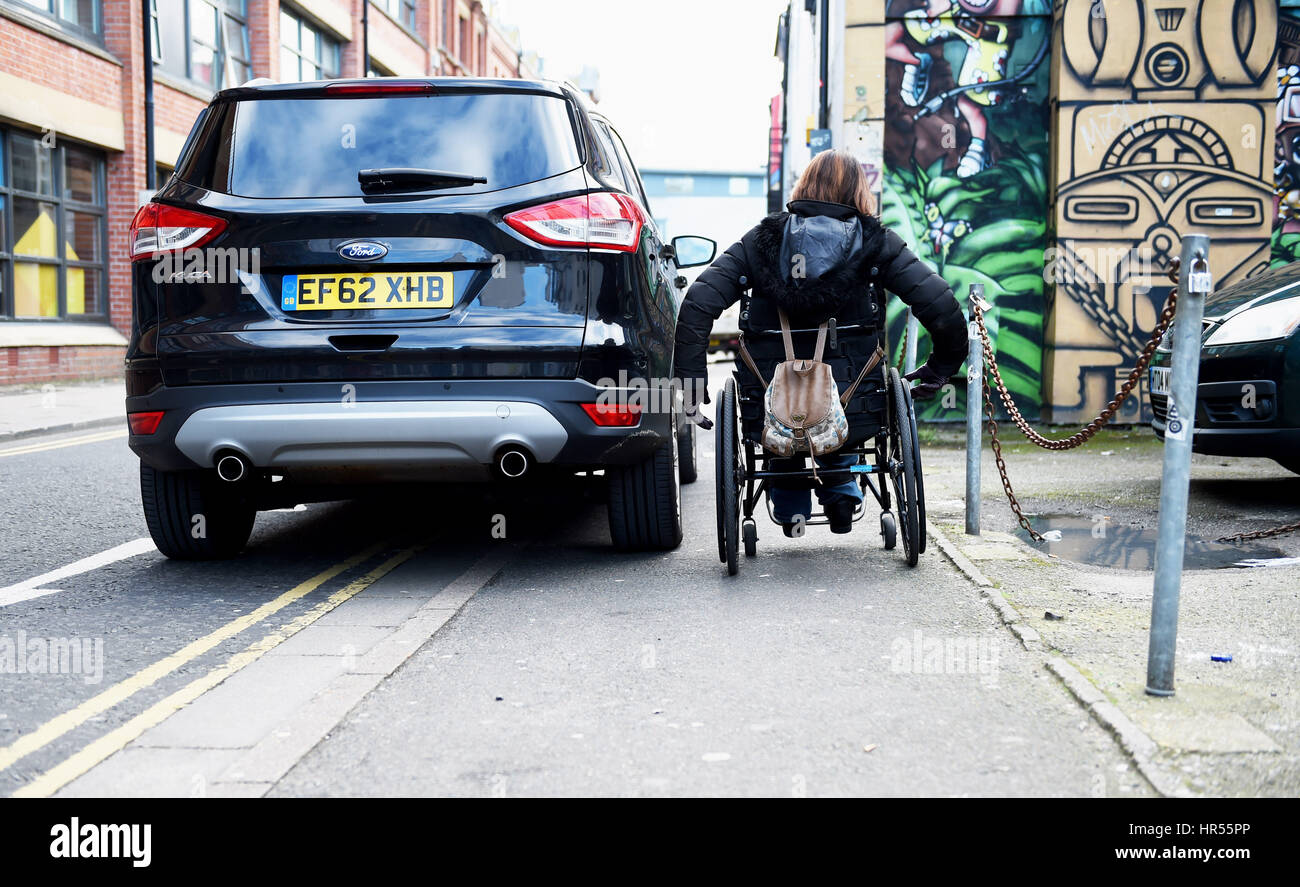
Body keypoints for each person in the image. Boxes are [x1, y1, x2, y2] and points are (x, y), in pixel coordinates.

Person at [673, 148, 966, 535]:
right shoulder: (876, 243)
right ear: (860, 192)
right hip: (856, 401)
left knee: (780, 405)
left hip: (771, 401)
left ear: (804, 184)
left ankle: (789, 486)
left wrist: (691, 384)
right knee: (851, 385)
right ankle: (841, 486)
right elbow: (940, 305)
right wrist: (941, 368)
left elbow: (697, 304)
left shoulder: (761, 240)